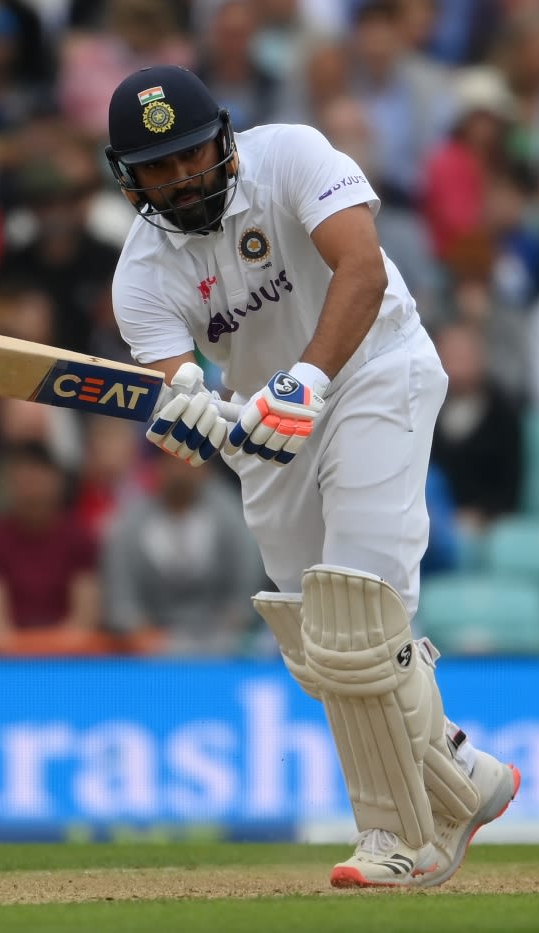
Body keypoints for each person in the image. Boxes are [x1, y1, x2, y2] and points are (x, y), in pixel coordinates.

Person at [103, 64, 518, 888]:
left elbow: (361, 268)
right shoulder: (141, 276)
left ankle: (399, 839)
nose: (183, 176)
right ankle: (464, 774)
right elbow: (178, 382)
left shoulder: (290, 154)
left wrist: (310, 378)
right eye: (160, 167)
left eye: (193, 154)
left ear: (222, 138)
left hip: (374, 368)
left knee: (357, 604)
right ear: (129, 179)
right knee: (316, 637)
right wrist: (189, 414)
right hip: (270, 419)